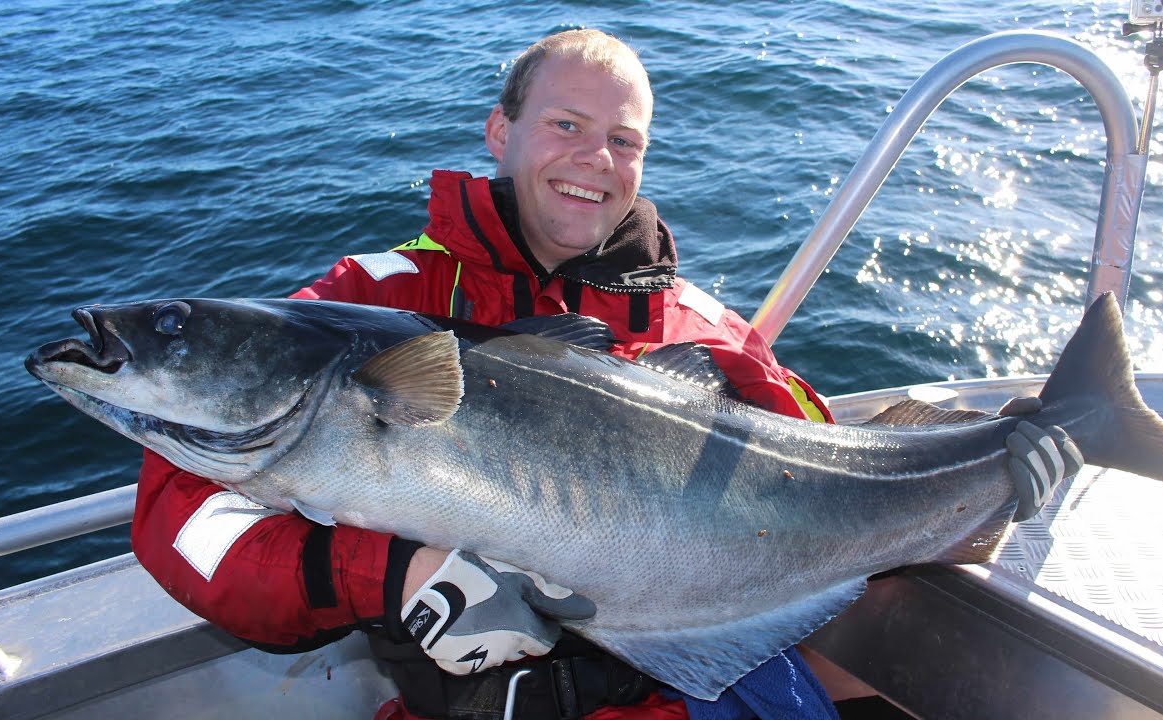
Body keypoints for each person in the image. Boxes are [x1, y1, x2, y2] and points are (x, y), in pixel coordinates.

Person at [131, 28, 1080, 720]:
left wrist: (992, 481)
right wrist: (390, 576)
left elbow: (834, 471)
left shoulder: (701, 329)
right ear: (500, 133)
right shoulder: (372, 302)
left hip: (677, 693)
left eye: (624, 140)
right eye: (567, 124)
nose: (595, 159)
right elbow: (180, 522)